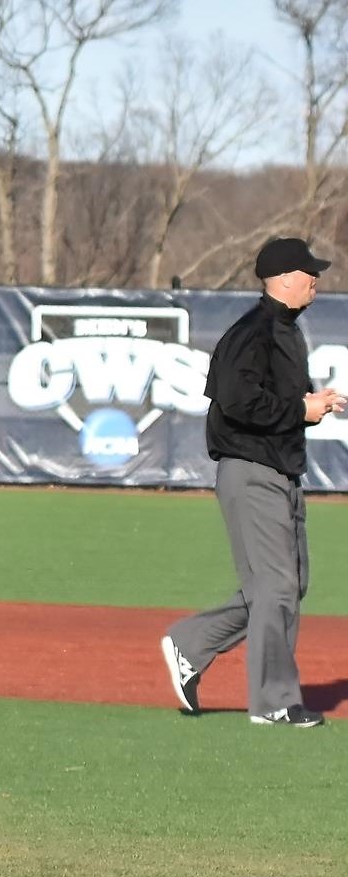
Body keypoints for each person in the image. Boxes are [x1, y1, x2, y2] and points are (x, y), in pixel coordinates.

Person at [161, 236, 342, 728]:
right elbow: (237, 403)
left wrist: (310, 405)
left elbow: (272, 402)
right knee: (277, 586)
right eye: (309, 273)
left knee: (286, 585)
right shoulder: (254, 331)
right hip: (251, 468)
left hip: (279, 469)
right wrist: (299, 408)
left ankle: (191, 643)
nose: (315, 280)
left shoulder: (284, 330)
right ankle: (274, 702)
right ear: (285, 279)